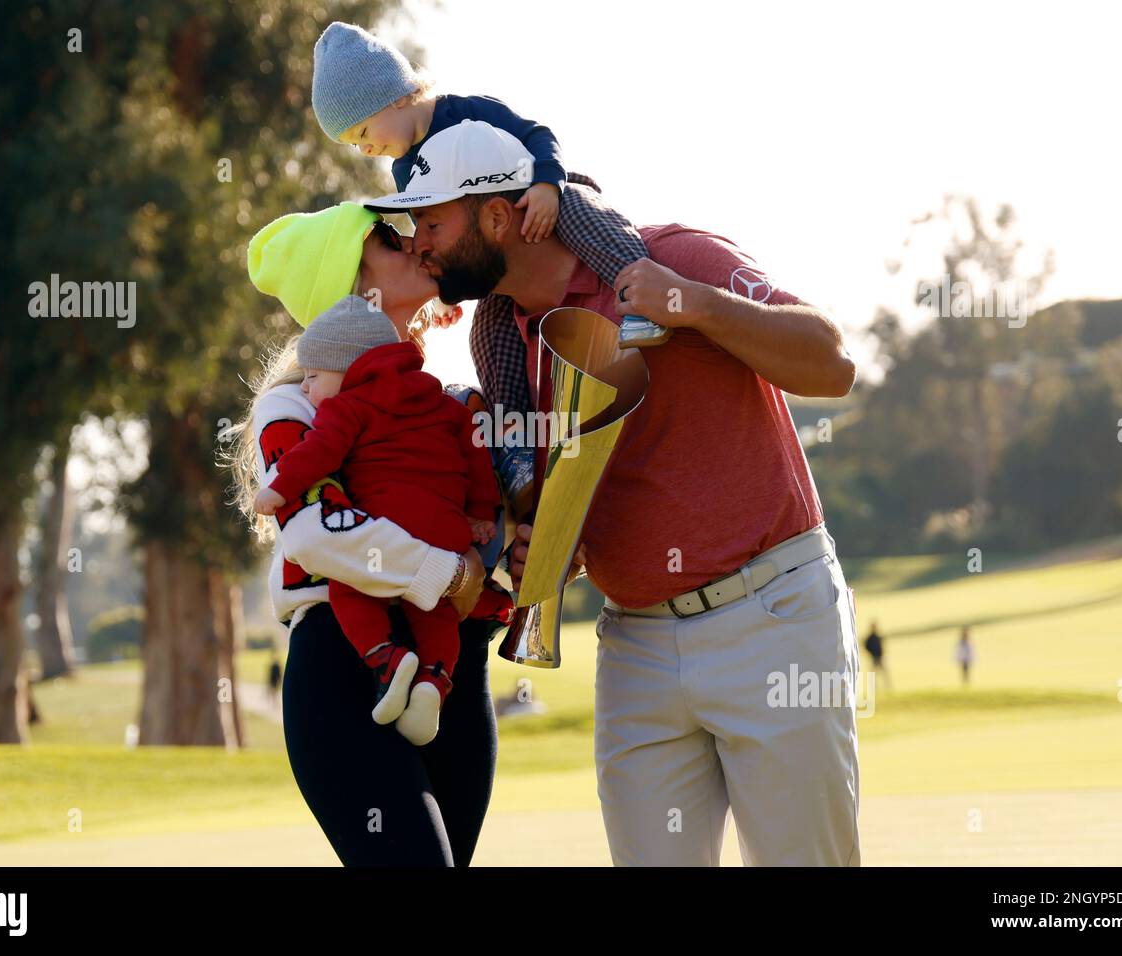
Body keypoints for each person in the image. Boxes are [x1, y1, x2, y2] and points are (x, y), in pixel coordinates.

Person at [365, 120, 861, 866]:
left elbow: (832, 363)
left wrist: (696, 304)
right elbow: (562, 493)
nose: (421, 241)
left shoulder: (675, 257)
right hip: (636, 646)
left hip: (772, 619)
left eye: (433, 221)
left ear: (498, 218)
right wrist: (549, 548)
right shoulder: (499, 340)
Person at [230, 202, 506, 866]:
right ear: (353, 283)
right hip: (346, 667)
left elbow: (487, 530)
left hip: (457, 668)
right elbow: (316, 535)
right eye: (387, 236)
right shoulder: (295, 404)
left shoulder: (449, 402)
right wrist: (453, 575)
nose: (414, 240)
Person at [309, 21, 655, 506]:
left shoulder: (467, 112)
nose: (364, 148)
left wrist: (547, 184)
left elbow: (537, 133)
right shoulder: (404, 171)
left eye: (363, 131)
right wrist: (443, 290)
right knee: (488, 334)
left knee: (581, 212)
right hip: (495, 260)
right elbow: (439, 238)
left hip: (538, 202)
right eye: (352, 144)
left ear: (395, 97)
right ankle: (514, 450)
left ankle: (644, 299)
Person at [251, 294, 506, 744]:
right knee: (439, 616)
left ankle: (387, 658)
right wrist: (479, 517)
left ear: (349, 370)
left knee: (351, 589)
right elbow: (476, 461)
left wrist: (278, 488)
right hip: (447, 532)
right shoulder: (444, 401)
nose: (306, 389)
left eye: (313, 376)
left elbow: (317, 455)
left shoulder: (345, 408)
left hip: (384, 524)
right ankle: (434, 680)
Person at [864, 620, 890, 690]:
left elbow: (882, 646)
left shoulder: (878, 637)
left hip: (880, 657)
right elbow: (866, 647)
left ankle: (887, 686)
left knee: (884, 672)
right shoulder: (869, 638)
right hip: (874, 658)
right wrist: (871, 653)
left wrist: (882, 653)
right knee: (873, 673)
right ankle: (874, 687)